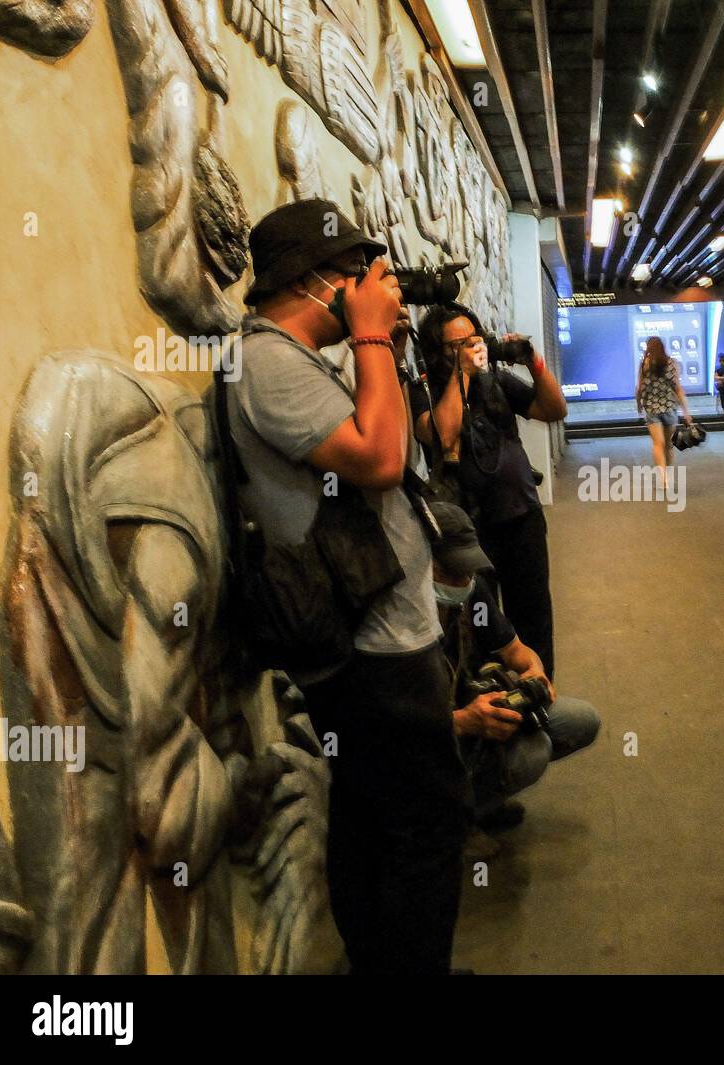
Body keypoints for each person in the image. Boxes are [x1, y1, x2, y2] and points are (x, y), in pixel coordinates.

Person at [228, 199, 471, 975]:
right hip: (371, 649)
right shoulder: (265, 362)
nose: (373, 285)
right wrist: (368, 333)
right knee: (428, 823)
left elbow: (392, 436)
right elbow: (380, 460)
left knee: (374, 820)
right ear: (312, 281)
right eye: (355, 272)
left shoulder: (293, 360)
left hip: (384, 630)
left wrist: (384, 345)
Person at [415, 303, 567, 679]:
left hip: (521, 516)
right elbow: (441, 434)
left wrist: (534, 362)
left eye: (475, 340)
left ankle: (540, 697)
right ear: (439, 351)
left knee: (534, 616)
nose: (472, 349)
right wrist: (461, 374)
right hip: (470, 530)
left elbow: (553, 409)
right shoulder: (424, 387)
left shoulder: (494, 379)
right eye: (459, 344)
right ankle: (495, 704)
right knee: (482, 626)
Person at [429, 502, 599, 832]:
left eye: (468, 569)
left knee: (581, 720)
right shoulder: (396, 622)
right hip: (431, 737)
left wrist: (534, 673)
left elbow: (517, 651)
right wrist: (463, 722)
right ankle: (452, 826)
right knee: (531, 755)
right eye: (451, 571)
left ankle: (479, 800)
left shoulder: (471, 591)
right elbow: (386, 731)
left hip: (473, 710)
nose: (462, 579)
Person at [637, 336, 692, 488]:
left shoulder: (644, 365)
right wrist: (686, 412)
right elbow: (678, 388)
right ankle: (665, 474)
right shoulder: (672, 363)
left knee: (658, 444)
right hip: (670, 409)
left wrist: (638, 404)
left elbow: (639, 388)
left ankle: (663, 477)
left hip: (652, 409)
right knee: (667, 445)